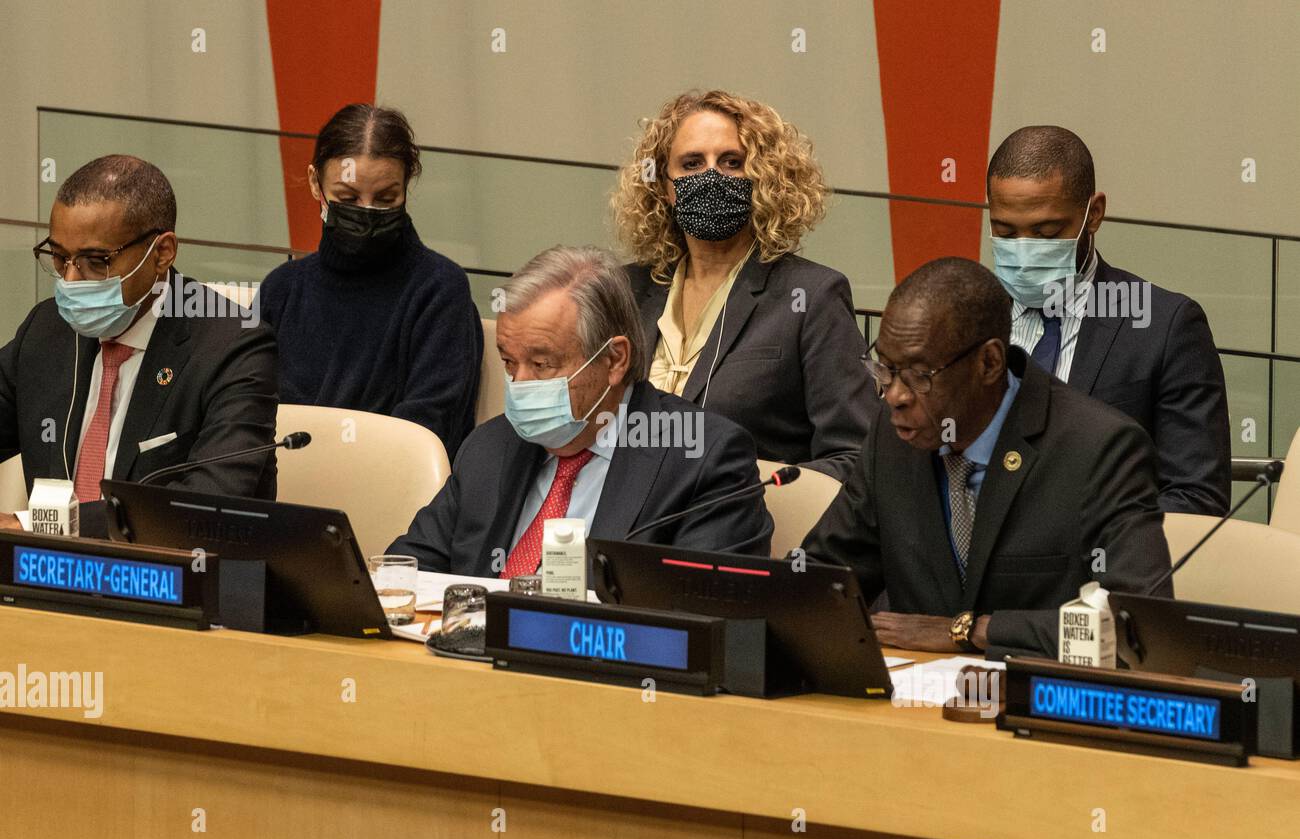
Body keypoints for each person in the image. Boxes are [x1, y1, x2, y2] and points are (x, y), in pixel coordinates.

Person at [803, 257, 1172, 659]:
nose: (895, 395)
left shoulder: (1100, 449)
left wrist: (974, 631)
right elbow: (823, 577)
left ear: (989, 363)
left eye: (919, 375)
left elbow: (1133, 625)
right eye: (885, 369)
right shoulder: (892, 437)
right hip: (910, 700)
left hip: (1036, 700)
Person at [388, 245, 773, 575]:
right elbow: (407, 573)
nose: (519, 384)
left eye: (542, 365)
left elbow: (704, 621)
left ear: (614, 359)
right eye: (508, 363)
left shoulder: (704, 459)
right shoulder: (490, 447)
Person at [0, 155, 278, 532]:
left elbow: (208, 503)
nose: (70, 281)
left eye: (96, 261)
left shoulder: (234, 347)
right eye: (60, 257)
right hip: (47, 581)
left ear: (161, 253)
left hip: (174, 581)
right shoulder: (47, 328)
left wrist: (39, 527)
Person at [612, 90, 875, 483]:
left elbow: (854, 456)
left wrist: (752, 492)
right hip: (624, 526)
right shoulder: (626, 290)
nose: (711, 176)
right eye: (692, 163)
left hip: (745, 531)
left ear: (761, 177)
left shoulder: (811, 295)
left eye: (731, 162)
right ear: (665, 187)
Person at [986, 125, 1230, 515]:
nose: (1024, 250)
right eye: (1004, 232)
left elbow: (1194, 498)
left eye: (1047, 233)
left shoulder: (1163, 327)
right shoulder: (965, 321)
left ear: (1093, 213)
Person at [255, 103, 482, 458]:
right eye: (347, 198)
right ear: (315, 183)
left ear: (406, 188)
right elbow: (245, 414)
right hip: (281, 493)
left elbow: (425, 434)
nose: (366, 211)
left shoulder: (439, 290)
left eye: (385, 198)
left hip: (392, 500)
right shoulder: (281, 289)